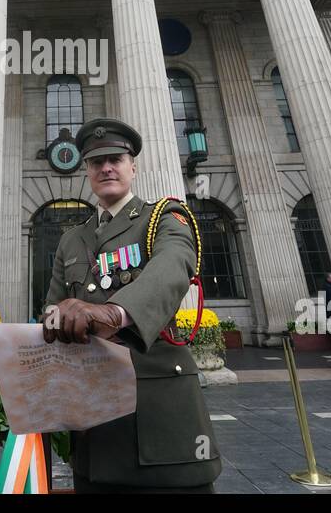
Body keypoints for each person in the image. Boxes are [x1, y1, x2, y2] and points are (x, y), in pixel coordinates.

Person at [43, 118, 222, 492]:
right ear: (87, 171)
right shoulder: (71, 240)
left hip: (158, 417)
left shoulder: (163, 218)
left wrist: (113, 312)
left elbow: (174, 267)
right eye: (96, 162)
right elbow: (54, 308)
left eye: (116, 159)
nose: (106, 167)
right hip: (94, 425)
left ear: (132, 166)